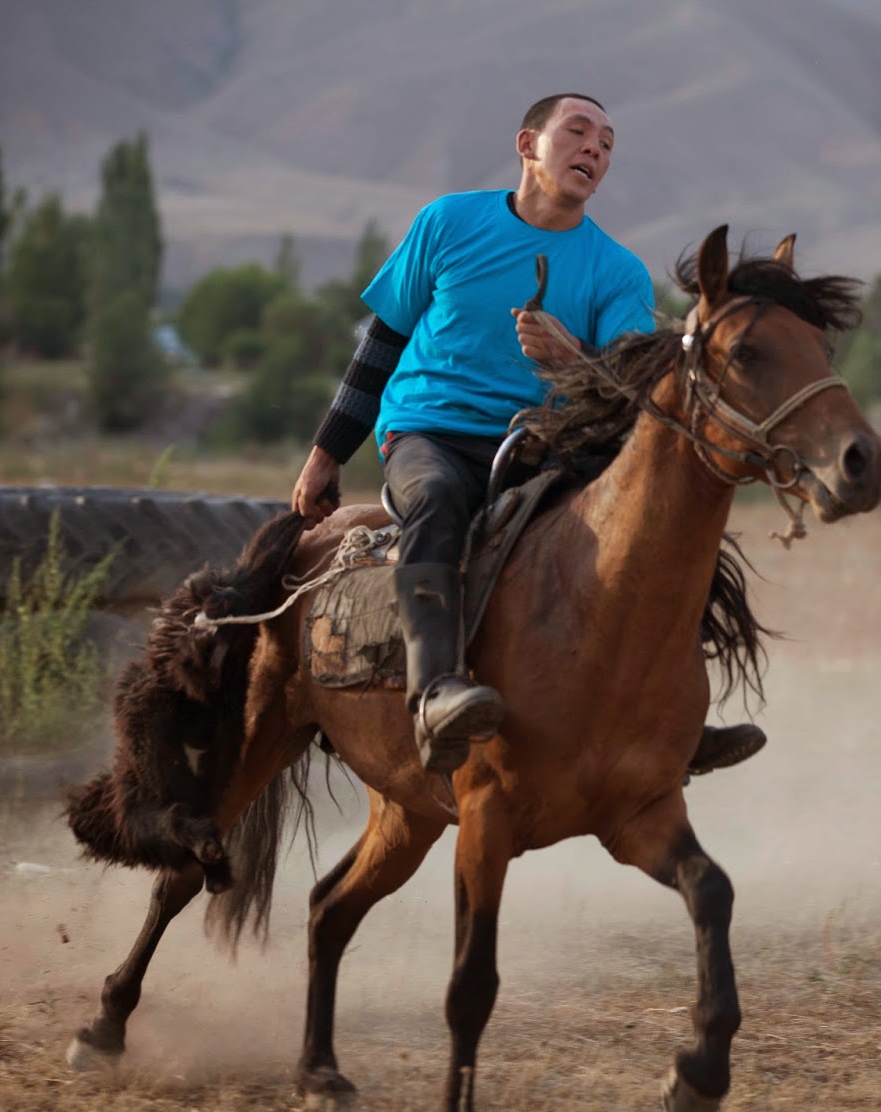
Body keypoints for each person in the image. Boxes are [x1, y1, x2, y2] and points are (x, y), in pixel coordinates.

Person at [292, 92, 766, 777]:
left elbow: (636, 395)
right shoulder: (447, 222)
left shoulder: (617, 271)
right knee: (438, 499)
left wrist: (575, 359)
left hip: (546, 443)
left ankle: (674, 717)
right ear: (527, 145)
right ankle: (435, 692)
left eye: (606, 144)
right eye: (578, 131)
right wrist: (325, 455)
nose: (594, 149)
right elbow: (382, 343)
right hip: (429, 433)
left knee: (648, 523)